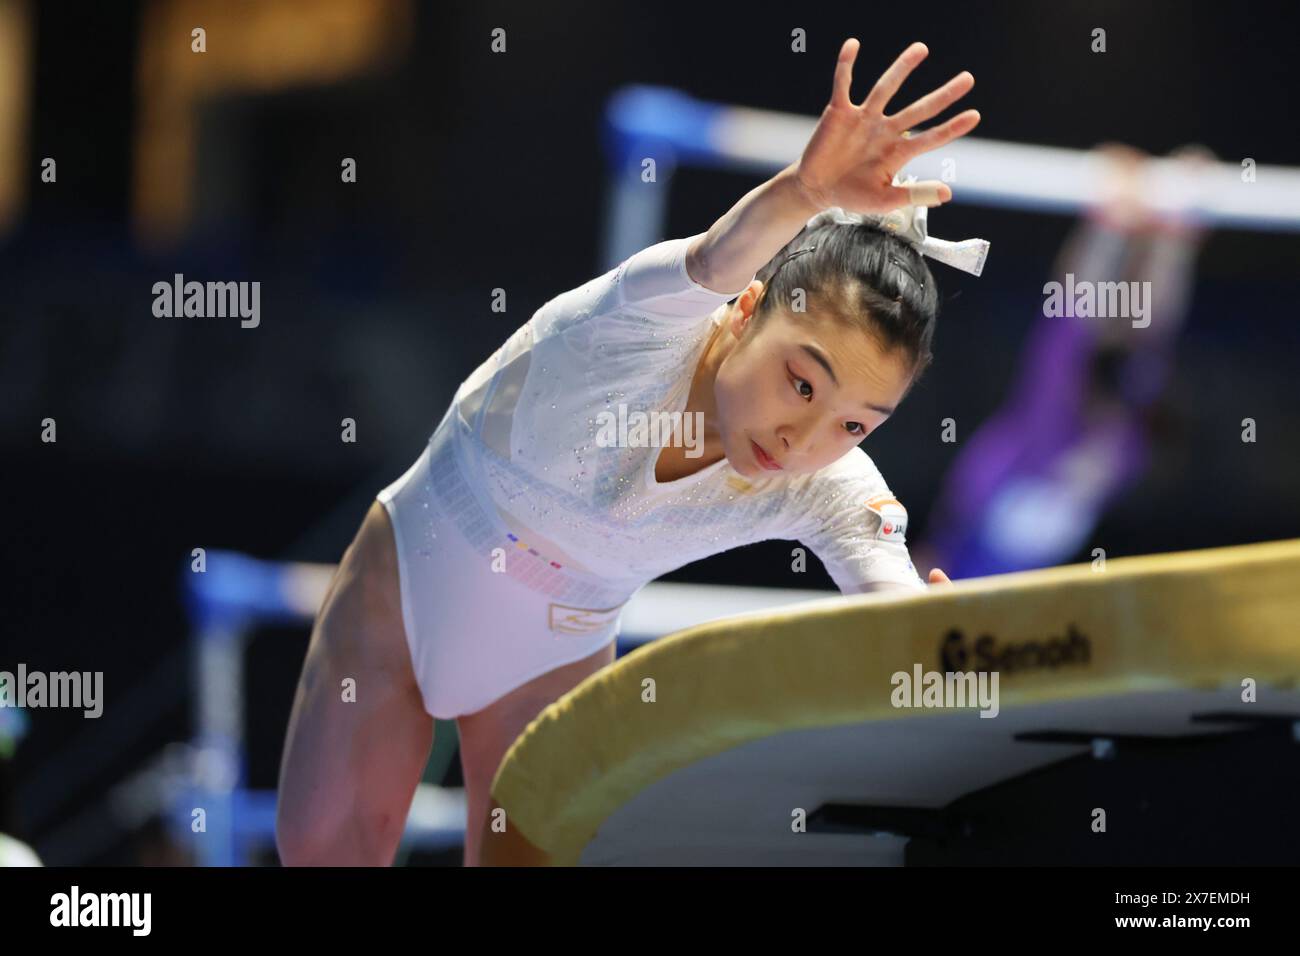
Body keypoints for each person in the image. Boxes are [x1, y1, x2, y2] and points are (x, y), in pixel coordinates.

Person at [276, 38, 983, 866]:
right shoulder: (637, 327)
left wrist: (924, 640)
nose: (805, 440)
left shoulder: (819, 479)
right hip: (407, 589)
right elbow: (715, 256)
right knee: (324, 854)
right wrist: (802, 192)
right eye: (801, 382)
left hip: (549, 663)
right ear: (749, 307)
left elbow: (888, 592)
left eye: (856, 423)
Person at [910, 143, 1213, 579]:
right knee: (1134, 348)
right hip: (1067, 480)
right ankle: (1165, 232)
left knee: (1079, 343)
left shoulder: (978, 501)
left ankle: (1124, 226)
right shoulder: (1114, 443)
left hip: (1040, 468)